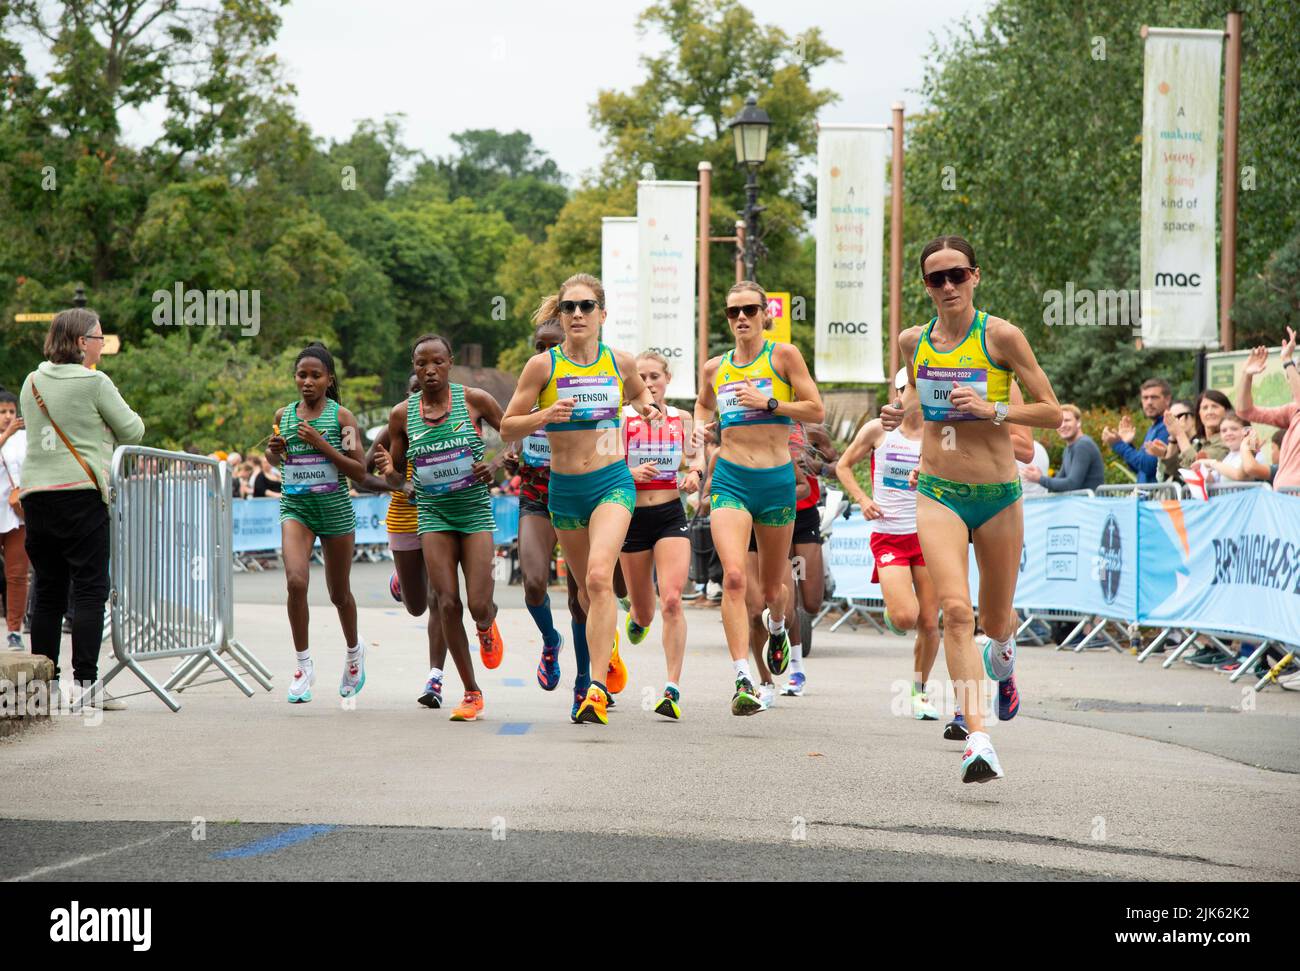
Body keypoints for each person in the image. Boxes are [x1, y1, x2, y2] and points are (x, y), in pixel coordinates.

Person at [881, 235, 1062, 783]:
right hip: (937, 491)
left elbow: (1053, 412)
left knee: (996, 619)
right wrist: (896, 414)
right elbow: (916, 399)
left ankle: (1004, 659)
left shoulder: (1001, 336)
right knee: (955, 613)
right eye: (937, 279)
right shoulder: (913, 341)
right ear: (926, 287)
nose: (949, 286)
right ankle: (977, 739)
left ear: (975, 276)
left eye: (957, 275)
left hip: (998, 494)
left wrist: (993, 408)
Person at [501, 274, 660, 726]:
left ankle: (592, 687)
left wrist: (646, 406)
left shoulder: (619, 362)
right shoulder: (543, 368)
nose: (576, 314)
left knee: (596, 578)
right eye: (568, 307)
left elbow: (638, 392)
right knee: (589, 600)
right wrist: (546, 414)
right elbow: (508, 426)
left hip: (611, 481)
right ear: (560, 314)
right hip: (564, 491)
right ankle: (602, 650)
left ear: (602, 315)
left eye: (586, 306)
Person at [690, 281, 825, 716]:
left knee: (772, 590)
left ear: (766, 313)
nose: (741, 318)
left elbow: (815, 409)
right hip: (730, 478)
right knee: (734, 579)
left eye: (749, 309)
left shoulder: (783, 356)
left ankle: (780, 628)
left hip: (775, 480)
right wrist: (699, 428)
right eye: (733, 312)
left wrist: (769, 403)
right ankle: (743, 677)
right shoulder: (715, 367)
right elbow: (703, 405)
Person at [375, 335, 506, 723]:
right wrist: (392, 475)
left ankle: (486, 624)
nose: (429, 370)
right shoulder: (402, 415)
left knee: (478, 603)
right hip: (432, 516)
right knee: (446, 602)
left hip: (474, 513)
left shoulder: (476, 400)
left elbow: (515, 434)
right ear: (414, 367)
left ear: (450, 363)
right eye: (421, 364)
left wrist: (495, 464)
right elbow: (399, 478)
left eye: (437, 363)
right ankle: (471, 691)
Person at [18, 309, 145, 708]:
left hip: (36, 494)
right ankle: (88, 686)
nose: (101, 346)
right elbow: (134, 429)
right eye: (98, 339)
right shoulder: (95, 383)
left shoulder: (32, 381)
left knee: (49, 591)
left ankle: (42, 688)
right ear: (79, 343)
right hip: (81, 492)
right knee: (90, 589)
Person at [836, 368, 946, 724]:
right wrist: (862, 499)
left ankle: (919, 690)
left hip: (928, 535)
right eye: (905, 388)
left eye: (917, 388)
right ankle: (897, 608)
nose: (910, 394)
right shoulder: (877, 430)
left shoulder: (938, 432)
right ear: (897, 392)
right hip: (889, 535)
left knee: (930, 623)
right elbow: (843, 466)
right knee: (905, 617)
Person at [266, 342, 369, 705]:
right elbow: (274, 456)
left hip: (335, 511)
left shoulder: (343, 418)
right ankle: (303, 665)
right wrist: (274, 449)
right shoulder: (285, 414)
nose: (307, 382)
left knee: (339, 594)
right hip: (297, 509)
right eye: (301, 375)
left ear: (329, 380)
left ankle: (355, 655)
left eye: (315, 375)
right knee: (296, 582)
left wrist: (324, 445)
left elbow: (359, 470)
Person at [499, 318, 591, 714]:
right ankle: (551, 640)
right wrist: (512, 461)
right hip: (536, 493)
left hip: (579, 492)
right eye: (539, 346)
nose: (544, 354)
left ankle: (584, 682)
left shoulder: (585, 385)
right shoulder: (530, 387)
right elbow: (510, 432)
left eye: (552, 346)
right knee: (534, 584)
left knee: (580, 597)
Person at [619, 351, 696, 719]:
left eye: (655, 377)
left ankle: (672, 688)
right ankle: (636, 614)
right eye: (642, 377)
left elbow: (695, 458)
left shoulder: (682, 418)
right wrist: (628, 474)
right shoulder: (622, 418)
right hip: (631, 517)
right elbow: (606, 465)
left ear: (667, 379)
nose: (648, 384)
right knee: (647, 613)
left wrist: (695, 474)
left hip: (669, 515)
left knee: (672, 601)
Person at [1236, 329, 1300, 490]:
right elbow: (1245, 411)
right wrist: (1247, 375)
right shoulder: (1293, 411)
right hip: (1286, 499)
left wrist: (1287, 360)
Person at [0, 391, 28, 651]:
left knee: (17, 574)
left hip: (15, 514)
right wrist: (5, 435)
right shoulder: (8, 437)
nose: (8, 416)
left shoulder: (24, 439)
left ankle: (14, 630)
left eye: (11, 411)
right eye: (2, 412)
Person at [1102, 378, 1171, 483]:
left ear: (1167, 399)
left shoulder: (1167, 427)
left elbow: (1148, 466)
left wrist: (1118, 444)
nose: (1149, 402)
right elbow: (1140, 469)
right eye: (1145, 398)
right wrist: (1128, 445)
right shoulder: (1154, 427)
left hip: (1157, 497)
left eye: (1154, 397)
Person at [1022, 404, 1103, 493]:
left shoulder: (1083, 445)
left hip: (1089, 504)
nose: (1063, 425)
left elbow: (1072, 484)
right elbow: (1061, 479)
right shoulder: (1068, 449)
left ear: (1079, 422)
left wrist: (1039, 479)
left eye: (1067, 420)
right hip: (1080, 503)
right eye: (1059, 422)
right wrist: (1039, 476)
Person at [1159, 389, 1231, 481]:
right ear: (1199, 414)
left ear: (1227, 411)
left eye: (1215, 406)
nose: (1210, 412)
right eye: (1205, 408)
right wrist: (1173, 438)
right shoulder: (1199, 442)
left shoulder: (1228, 439)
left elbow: (1197, 468)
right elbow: (1174, 470)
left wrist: (1179, 433)